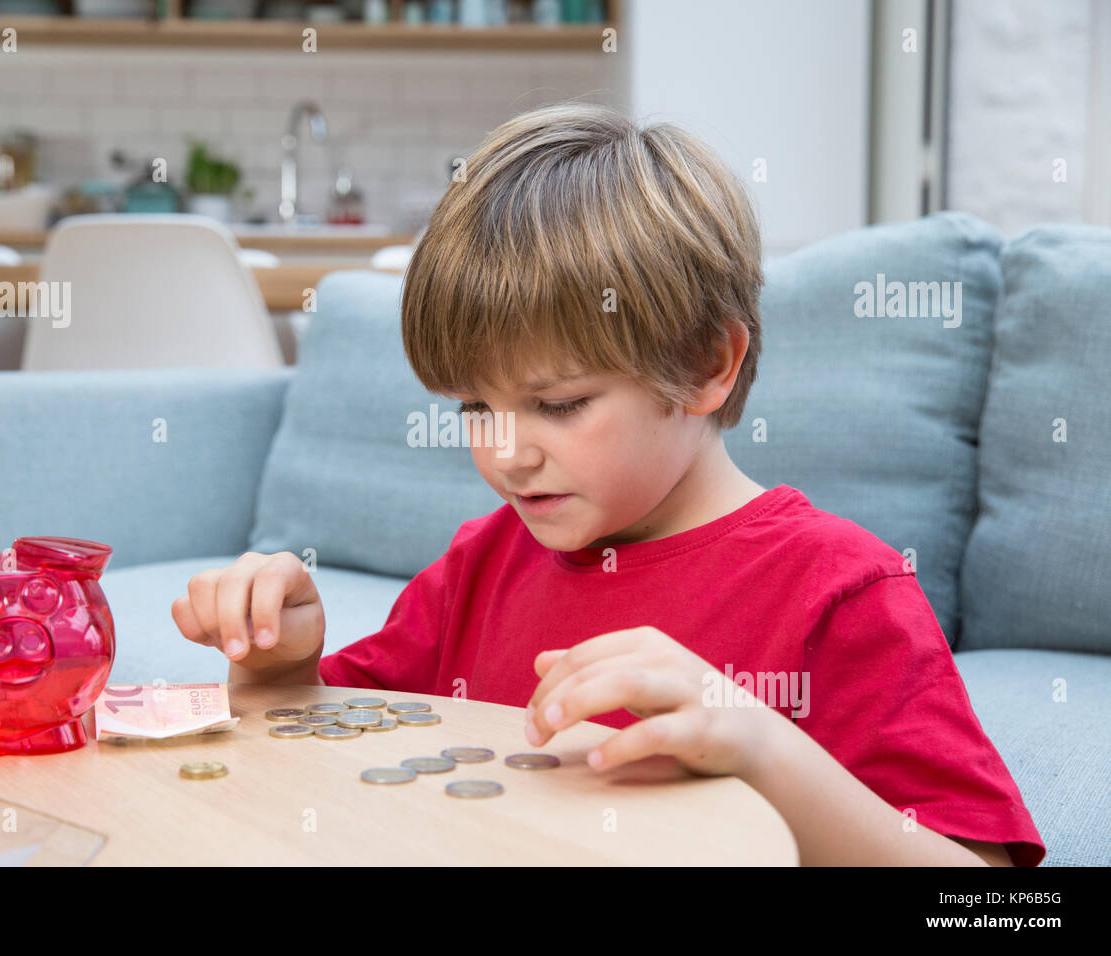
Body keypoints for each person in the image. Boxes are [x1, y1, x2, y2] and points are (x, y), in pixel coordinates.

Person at [171, 103, 1045, 867]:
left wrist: (762, 751)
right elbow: (324, 759)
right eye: (476, 405)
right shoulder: (483, 562)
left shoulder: (840, 591)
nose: (505, 454)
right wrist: (282, 669)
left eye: (558, 403)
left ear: (708, 363)